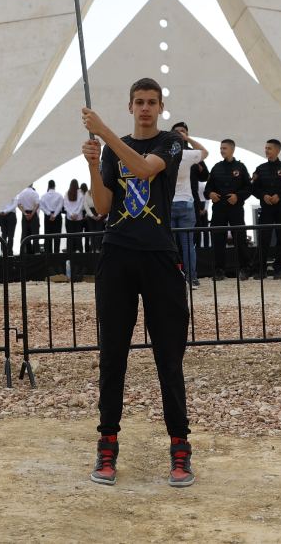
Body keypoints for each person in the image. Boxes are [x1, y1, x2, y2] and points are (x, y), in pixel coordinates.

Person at [81, 77, 194, 488]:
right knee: (113, 356)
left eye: (151, 102)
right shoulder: (112, 148)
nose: (145, 108)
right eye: (139, 102)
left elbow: (145, 169)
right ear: (130, 105)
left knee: (169, 357)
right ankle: (106, 447)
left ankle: (180, 450)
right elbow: (103, 205)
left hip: (160, 258)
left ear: (160, 107)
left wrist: (105, 131)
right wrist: (95, 162)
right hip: (118, 256)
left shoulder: (171, 143)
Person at [169, 122, 209, 288]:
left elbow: (204, 174)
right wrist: (188, 138)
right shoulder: (188, 155)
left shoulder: (164, 154)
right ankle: (191, 278)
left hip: (169, 203)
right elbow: (205, 152)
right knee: (188, 245)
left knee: (169, 244)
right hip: (186, 203)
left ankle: (171, 277)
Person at [251, 139, 281, 279]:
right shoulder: (260, 169)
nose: (266, 151)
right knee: (263, 238)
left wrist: (280, 195)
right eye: (265, 148)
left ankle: (278, 269)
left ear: (277, 150)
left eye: (269, 148)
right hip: (266, 209)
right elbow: (253, 187)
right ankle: (261, 269)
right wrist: (263, 195)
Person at [206, 139, 250, 279]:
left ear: (232, 149)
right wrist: (211, 194)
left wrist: (238, 196)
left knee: (240, 238)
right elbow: (208, 189)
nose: (222, 150)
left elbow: (249, 188)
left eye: (224, 148)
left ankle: (244, 269)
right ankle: (219, 270)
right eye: (221, 148)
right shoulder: (216, 167)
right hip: (218, 209)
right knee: (218, 239)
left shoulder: (241, 167)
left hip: (235, 208)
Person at [15, 184, 42, 259]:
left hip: (25, 215)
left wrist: (25, 213)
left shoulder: (22, 193)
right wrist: (32, 214)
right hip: (33, 215)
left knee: (24, 234)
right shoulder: (34, 193)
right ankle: (36, 253)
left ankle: (25, 254)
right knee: (35, 235)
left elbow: (18, 204)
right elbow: (37, 204)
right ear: (32, 184)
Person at [64, 180, 88, 258]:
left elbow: (65, 206)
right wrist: (76, 214)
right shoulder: (81, 194)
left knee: (70, 236)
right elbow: (81, 206)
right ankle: (79, 252)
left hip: (69, 218)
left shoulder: (67, 193)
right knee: (78, 236)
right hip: (79, 218)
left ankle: (69, 253)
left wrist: (71, 214)